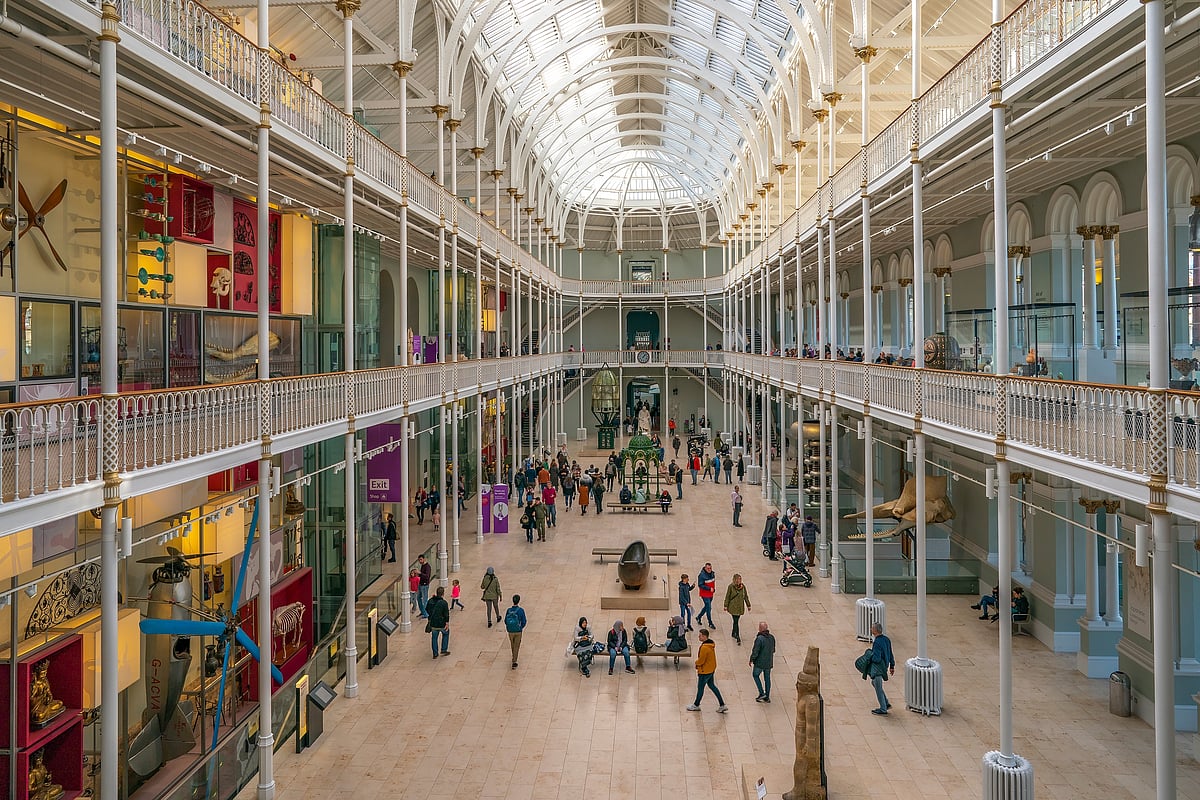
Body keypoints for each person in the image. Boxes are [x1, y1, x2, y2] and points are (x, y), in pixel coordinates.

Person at [685, 629, 728, 712]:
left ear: (704, 636)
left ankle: (696, 705)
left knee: (700, 688)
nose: (698, 636)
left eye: (700, 635)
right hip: (710, 669)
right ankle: (722, 704)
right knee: (712, 686)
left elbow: (701, 660)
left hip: (704, 671)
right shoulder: (710, 645)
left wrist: (696, 663)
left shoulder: (704, 648)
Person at [864, 622, 895, 714]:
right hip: (884, 666)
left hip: (878, 669)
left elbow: (877, 658)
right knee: (874, 683)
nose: (870, 629)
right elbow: (890, 653)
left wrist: (869, 656)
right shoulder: (887, 639)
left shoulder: (877, 642)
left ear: (875, 631)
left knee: (878, 687)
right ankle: (886, 702)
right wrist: (892, 666)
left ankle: (883, 708)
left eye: (871, 628)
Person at [749, 621, 776, 702]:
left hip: (760, 662)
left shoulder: (759, 639)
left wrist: (751, 659)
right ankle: (767, 696)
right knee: (767, 678)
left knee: (755, 675)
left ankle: (761, 693)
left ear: (760, 629)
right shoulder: (772, 637)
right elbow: (773, 649)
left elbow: (755, 651)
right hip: (769, 661)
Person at [723, 574, 751, 645]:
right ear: (735, 580)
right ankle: (738, 636)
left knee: (736, 621)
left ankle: (733, 632)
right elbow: (727, 596)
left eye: (740, 579)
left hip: (740, 606)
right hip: (733, 607)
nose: (739, 581)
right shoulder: (731, 587)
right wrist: (725, 605)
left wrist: (748, 605)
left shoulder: (743, 587)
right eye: (738, 579)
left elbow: (745, 596)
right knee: (736, 621)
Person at [504, 594, 527, 669]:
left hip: (510, 631)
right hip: (518, 631)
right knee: (516, 645)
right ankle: (514, 661)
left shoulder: (509, 610)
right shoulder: (521, 610)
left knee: (512, 644)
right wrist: (520, 627)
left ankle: (513, 656)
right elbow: (524, 621)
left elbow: (505, 621)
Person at [427, 586, 450, 659]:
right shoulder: (444, 603)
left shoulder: (430, 601)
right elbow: (446, 614)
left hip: (433, 623)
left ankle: (435, 653)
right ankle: (443, 649)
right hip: (441, 623)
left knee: (434, 638)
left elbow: (427, 609)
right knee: (446, 633)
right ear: (443, 594)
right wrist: (447, 622)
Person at [696, 563, 717, 628]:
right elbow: (700, 585)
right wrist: (709, 588)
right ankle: (710, 623)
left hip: (711, 593)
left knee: (707, 607)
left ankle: (699, 617)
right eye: (708, 568)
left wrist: (713, 589)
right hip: (705, 594)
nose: (709, 569)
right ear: (705, 568)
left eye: (710, 568)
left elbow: (713, 582)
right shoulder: (701, 576)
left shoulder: (712, 574)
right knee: (709, 608)